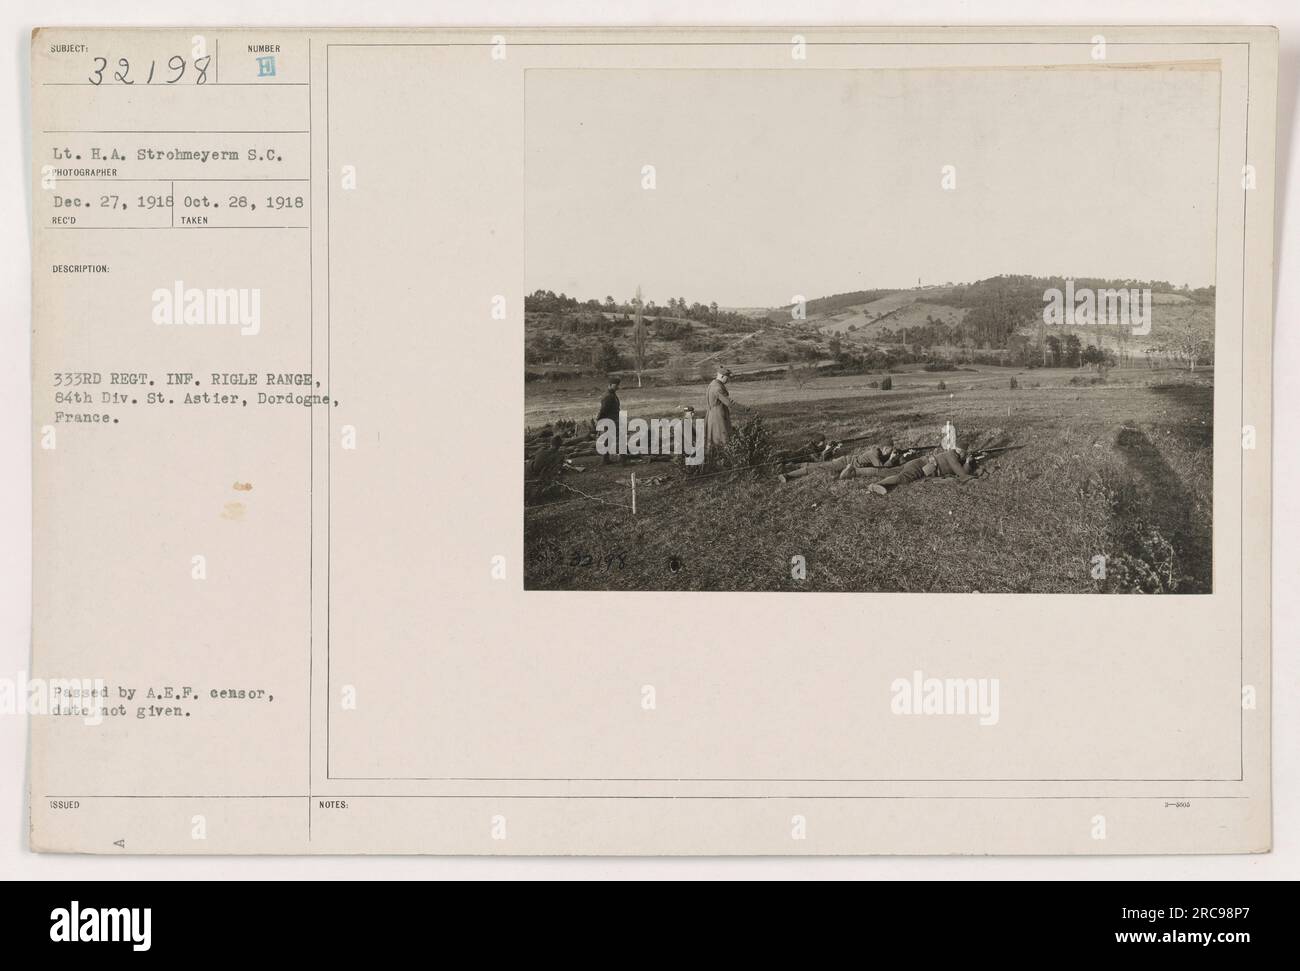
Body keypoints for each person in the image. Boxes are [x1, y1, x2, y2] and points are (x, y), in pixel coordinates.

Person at [868, 448, 976, 494]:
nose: (965, 455)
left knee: (888, 471)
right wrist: (967, 462)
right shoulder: (952, 455)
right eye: (965, 453)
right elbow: (962, 474)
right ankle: (876, 485)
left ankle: (855, 471)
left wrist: (967, 462)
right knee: (903, 478)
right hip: (920, 465)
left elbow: (960, 469)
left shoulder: (952, 454)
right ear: (961, 451)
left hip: (919, 462)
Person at [705, 367, 734, 461]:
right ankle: (724, 462)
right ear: (722, 376)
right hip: (718, 417)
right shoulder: (718, 388)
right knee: (722, 439)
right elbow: (729, 403)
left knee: (713, 440)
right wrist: (746, 410)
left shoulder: (713, 384)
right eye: (727, 377)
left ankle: (714, 462)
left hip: (712, 415)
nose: (728, 380)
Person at [597, 376, 621, 464]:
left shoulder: (612, 394)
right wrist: (599, 420)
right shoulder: (608, 396)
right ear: (610, 385)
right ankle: (605, 460)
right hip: (609, 421)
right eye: (615, 385)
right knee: (610, 439)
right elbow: (603, 410)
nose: (617, 387)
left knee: (609, 439)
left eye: (618, 385)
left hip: (613, 420)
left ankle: (606, 459)